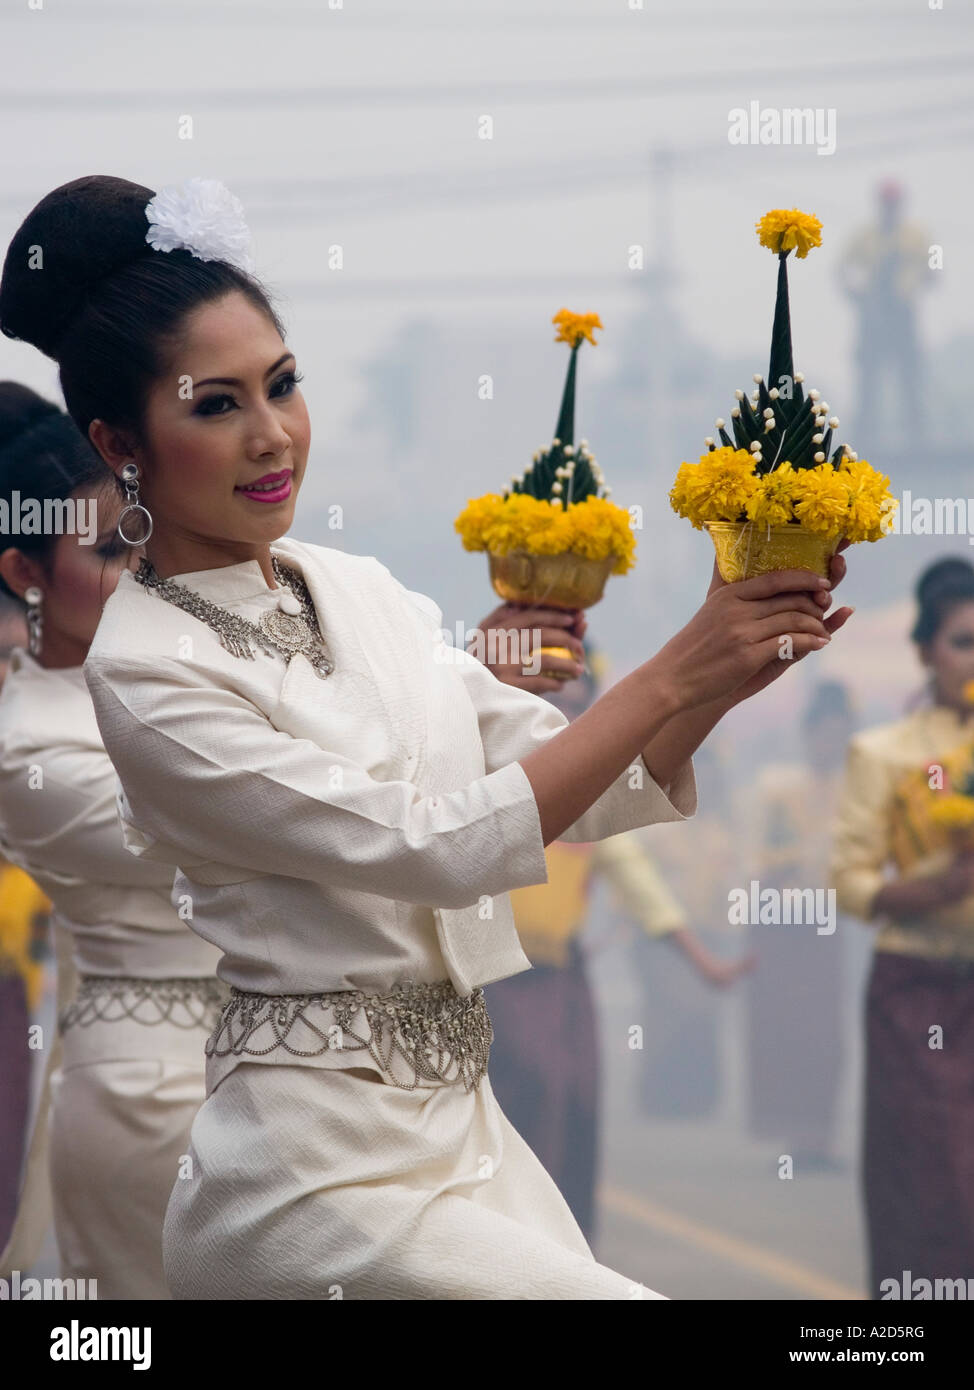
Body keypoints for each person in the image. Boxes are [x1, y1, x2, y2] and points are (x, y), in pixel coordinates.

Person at [0, 173, 851, 1300]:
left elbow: (568, 775)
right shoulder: (149, 668)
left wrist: (727, 666)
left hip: (467, 1139)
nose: (271, 434)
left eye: (283, 385)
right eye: (216, 406)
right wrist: (674, 668)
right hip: (311, 1180)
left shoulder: (359, 587)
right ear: (120, 442)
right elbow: (432, 844)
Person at [0, 382, 225, 1299]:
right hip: (147, 1092)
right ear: (26, 574)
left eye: (143, 541)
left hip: (263, 1068)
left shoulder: (177, 672)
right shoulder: (28, 748)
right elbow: (245, 833)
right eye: (105, 553)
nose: (139, 573)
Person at [481, 653, 751, 1243]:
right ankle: (511, 1245)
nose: (562, 721)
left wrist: (703, 962)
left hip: (560, 980)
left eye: (579, 708)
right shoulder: (485, 780)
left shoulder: (589, 795)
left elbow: (639, 883)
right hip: (493, 984)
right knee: (526, 1100)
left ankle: (565, 1252)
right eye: (552, 701)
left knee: (575, 1104)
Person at [832, 558, 974, 1297]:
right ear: (925, 651)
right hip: (917, 991)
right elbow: (850, 883)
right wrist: (937, 888)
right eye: (963, 642)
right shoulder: (885, 754)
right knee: (932, 1181)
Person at [745, 682, 857, 1168]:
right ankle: (795, 1134)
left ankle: (820, 1135)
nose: (830, 744)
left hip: (826, 927)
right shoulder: (777, 788)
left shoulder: (854, 791)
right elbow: (762, 858)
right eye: (824, 734)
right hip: (782, 925)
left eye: (839, 734)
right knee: (786, 1029)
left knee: (826, 1035)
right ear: (809, 734)